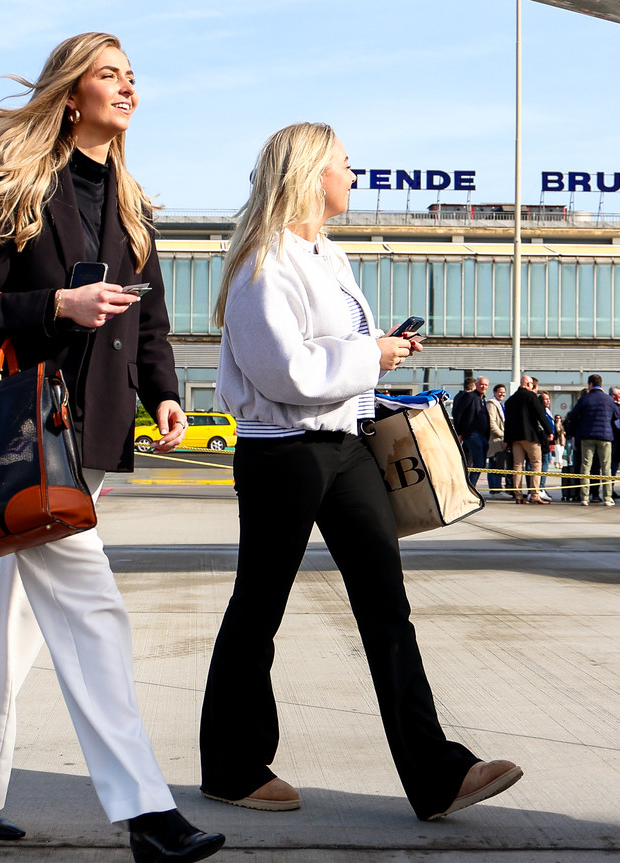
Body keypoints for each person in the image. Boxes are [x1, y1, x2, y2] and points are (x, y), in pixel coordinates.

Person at [0, 33, 223, 863]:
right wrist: (56, 301)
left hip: (90, 432)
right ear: (70, 93)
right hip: (26, 434)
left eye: (133, 77)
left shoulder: (131, 199)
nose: (128, 87)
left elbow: (151, 316)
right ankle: (146, 812)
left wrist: (164, 389)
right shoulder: (12, 183)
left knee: (15, 622)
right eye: (109, 75)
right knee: (93, 611)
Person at [198, 122, 520, 824]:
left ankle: (437, 773)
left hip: (344, 444)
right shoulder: (263, 260)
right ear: (314, 174)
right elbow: (283, 370)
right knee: (260, 607)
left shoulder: (328, 255)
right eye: (347, 165)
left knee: (386, 604)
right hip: (282, 447)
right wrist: (371, 354)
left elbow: (335, 356)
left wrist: (382, 353)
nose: (355, 175)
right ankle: (231, 765)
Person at [565, 374, 619, 507]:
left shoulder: (584, 399)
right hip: (605, 437)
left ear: (590, 384)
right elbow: (617, 417)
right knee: (606, 468)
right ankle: (607, 497)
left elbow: (573, 416)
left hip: (587, 436)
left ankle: (584, 497)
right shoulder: (609, 399)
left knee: (586, 467)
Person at [505, 374, 550, 504]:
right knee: (536, 464)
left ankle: (518, 495)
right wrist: (549, 431)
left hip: (515, 438)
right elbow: (540, 415)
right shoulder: (531, 397)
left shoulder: (511, 400)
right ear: (529, 384)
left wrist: (507, 439)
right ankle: (535, 494)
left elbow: (507, 422)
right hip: (530, 437)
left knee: (517, 465)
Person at [452, 376, 490, 489]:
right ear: (476, 385)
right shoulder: (469, 396)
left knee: (477, 463)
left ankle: (467, 485)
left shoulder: (482, 399)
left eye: (486, 385)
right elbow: (458, 414)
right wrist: (459, 432)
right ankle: (470, 488)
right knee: (478, 464)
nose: (484, 387)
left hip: (482, 436)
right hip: (472, 435)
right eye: (482, 384)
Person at [487, 383, 508, 496]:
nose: (502, 394)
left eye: (504, 392)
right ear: (494, 392)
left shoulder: (500, 404)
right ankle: (495, 490)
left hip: (500, 440)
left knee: (499, 464)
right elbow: (492, 422)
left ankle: (497, 488)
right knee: (494, 464)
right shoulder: (492, 404)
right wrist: (502, 435)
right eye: (500, 391)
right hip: (495, 439)